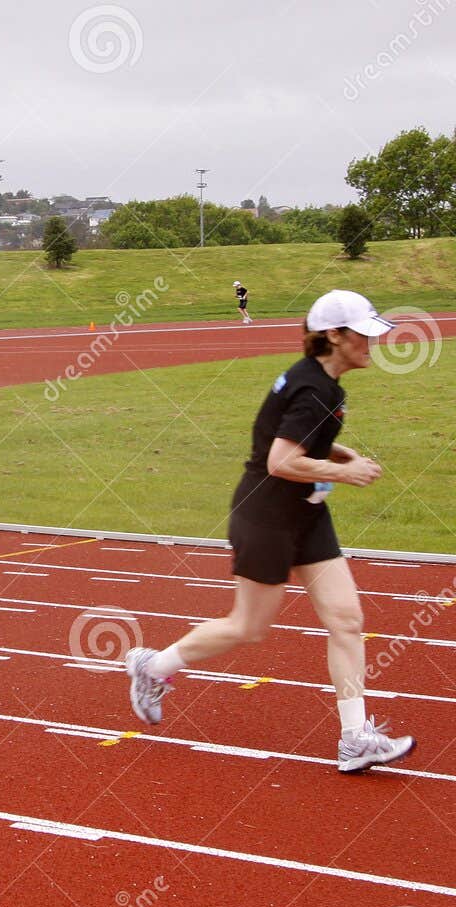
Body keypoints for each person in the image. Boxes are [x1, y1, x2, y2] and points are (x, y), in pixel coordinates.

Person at [126, 289, 414, 773]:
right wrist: (345, 472)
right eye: (363, 334)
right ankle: (152, 668)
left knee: (346, 620)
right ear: (334, 336)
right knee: (248, 628)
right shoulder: (313, 388)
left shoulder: (322, 383)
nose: (372, 342)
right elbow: (281, 460)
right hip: (266, 518)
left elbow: (290, 435)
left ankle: (354, 739)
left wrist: (340, 455)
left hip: (307, 515)